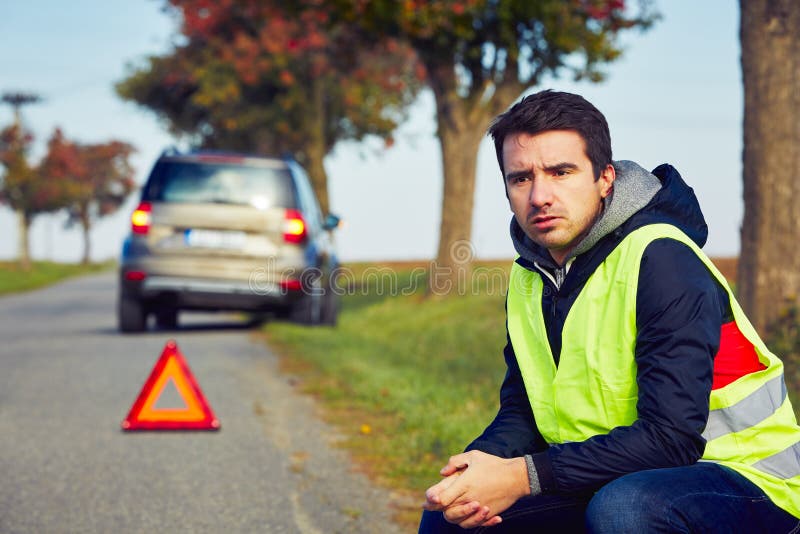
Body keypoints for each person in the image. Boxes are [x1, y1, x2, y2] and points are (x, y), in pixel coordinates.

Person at [419, 90, 800, 533]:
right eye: (521, 178)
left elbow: (672, 438)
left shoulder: (660, 258)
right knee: (451, 520)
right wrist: (477, 470)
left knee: (624, 511)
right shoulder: (530, 278)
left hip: (745, 482)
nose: (540, 195)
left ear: (605, 178)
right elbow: (523, 411)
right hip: (612, 473)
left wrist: (524, 476)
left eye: (561, 172)